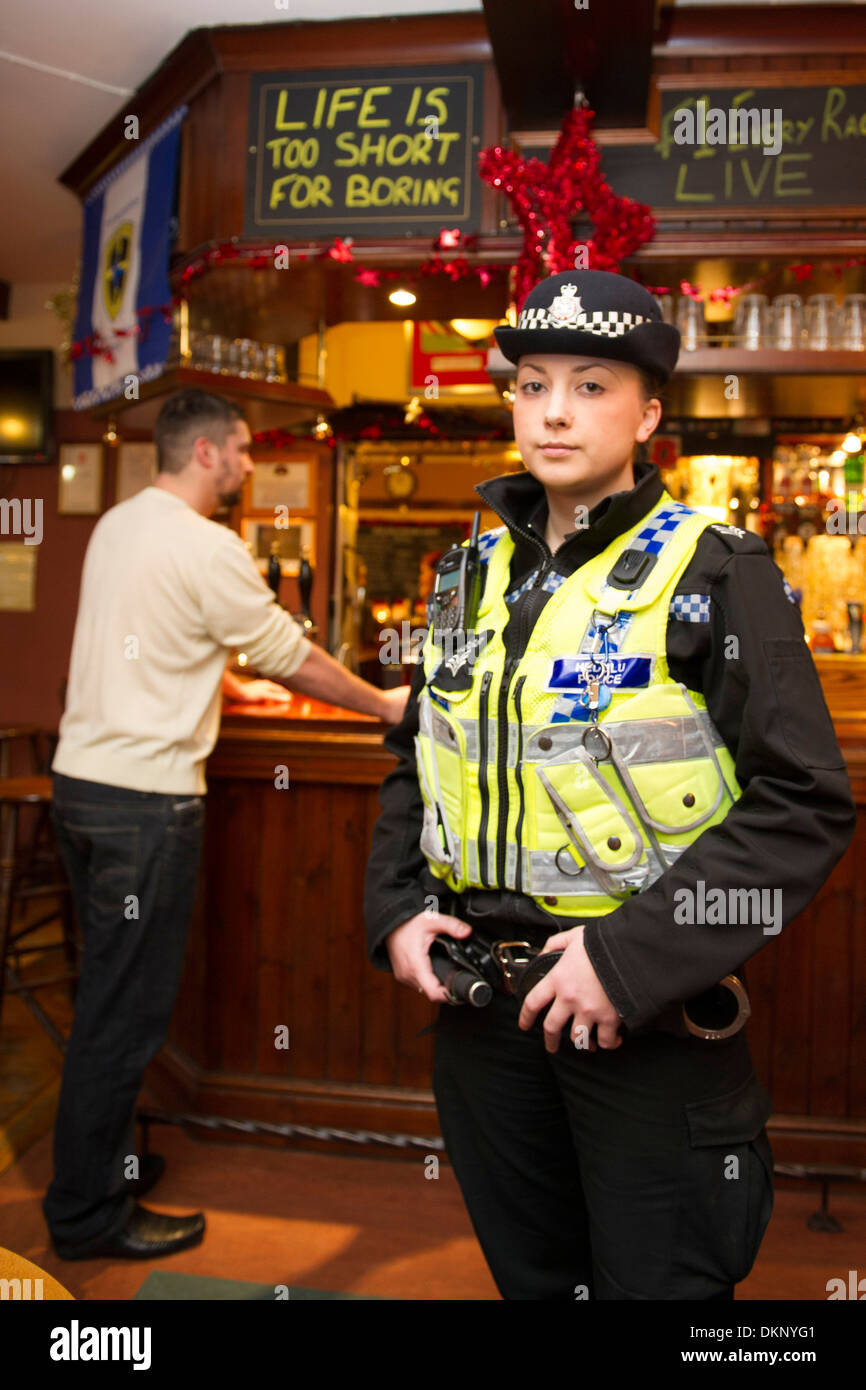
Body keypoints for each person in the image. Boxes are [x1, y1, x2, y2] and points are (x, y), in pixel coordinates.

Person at [364, 270, 856, 1301]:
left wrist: (624, 962)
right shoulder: (465, 575)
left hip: (641, 1020)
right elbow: (417, 752)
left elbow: (803, 805)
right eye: (530, 382)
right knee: (534, 1282)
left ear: (648, 413)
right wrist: (397, 910)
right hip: (482, 1021)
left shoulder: (719, 571)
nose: (550, 409)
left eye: (589, 385)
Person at [47, 388, 408, 1261]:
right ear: (206, 453)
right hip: (145, 805)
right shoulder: (208, 546)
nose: (252, 465)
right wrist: (382, 706)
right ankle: (87, 1214)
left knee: (104, 997)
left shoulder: (119, 525)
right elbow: (292, 654)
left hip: (83, 788)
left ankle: (103, 1171)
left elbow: (153, 640)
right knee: (122, 1014)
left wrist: (219, 680)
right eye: (243, 450)